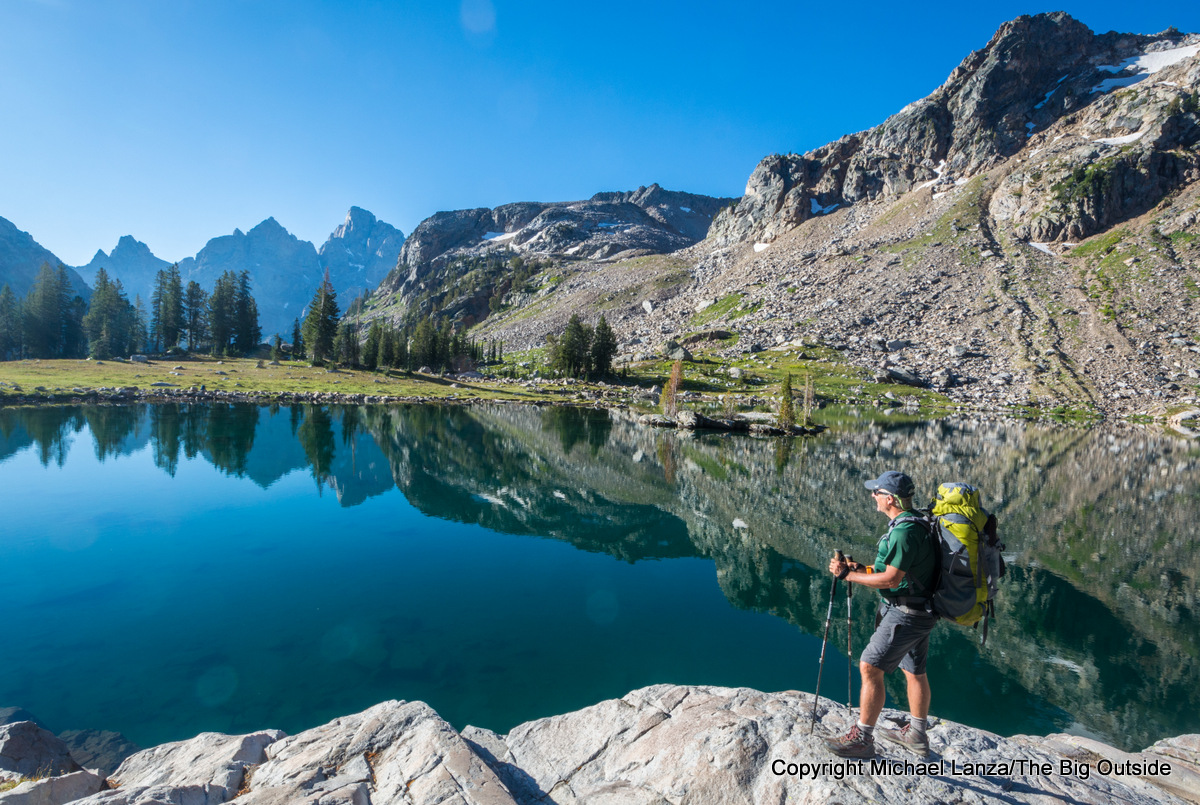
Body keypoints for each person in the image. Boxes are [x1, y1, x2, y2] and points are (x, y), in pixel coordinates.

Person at [824, 470, 938, 759]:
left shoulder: (903, 532)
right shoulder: (915, 523)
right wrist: (860, 568)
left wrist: (848, 576)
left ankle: (862, 739)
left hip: (906, 614)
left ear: (891, 499)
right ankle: (916, 734)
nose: (872, 495)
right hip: (920, 610)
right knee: (914, 671)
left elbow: (890, 579)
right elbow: (899, 572)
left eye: (877, 492)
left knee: (870, 666)